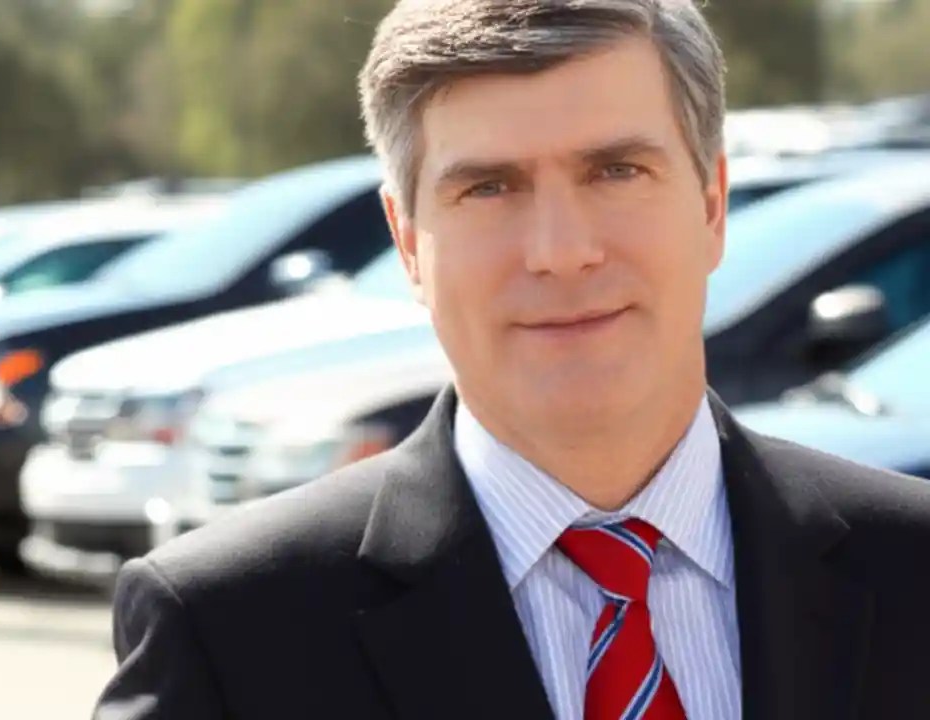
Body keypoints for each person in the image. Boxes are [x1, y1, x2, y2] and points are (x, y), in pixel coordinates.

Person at [95, 1, 930, 718]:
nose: (561, 252)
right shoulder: (230, 631)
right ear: (408, 243)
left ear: (712, 205)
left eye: (616, 171)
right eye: (489, 188)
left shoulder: (913, 570)